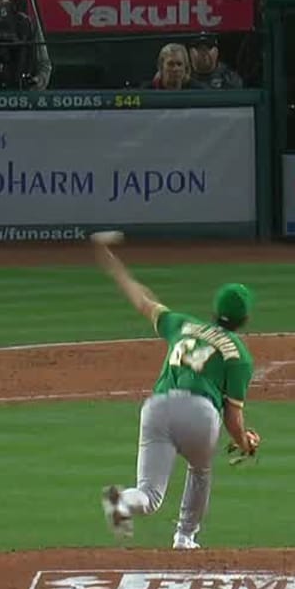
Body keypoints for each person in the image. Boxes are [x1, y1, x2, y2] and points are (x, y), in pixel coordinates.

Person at [93, 235, 261, 550]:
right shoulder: (239, 355)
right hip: (199, 413)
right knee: (200, 471)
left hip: (157, 407)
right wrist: (245, 442)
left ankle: (122, 501)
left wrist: (113, 264)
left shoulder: (183, 324)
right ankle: (185, 537)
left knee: (149, 494)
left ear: (214, 310)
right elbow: (233, 417)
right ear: (245, 319)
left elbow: (143, 300)